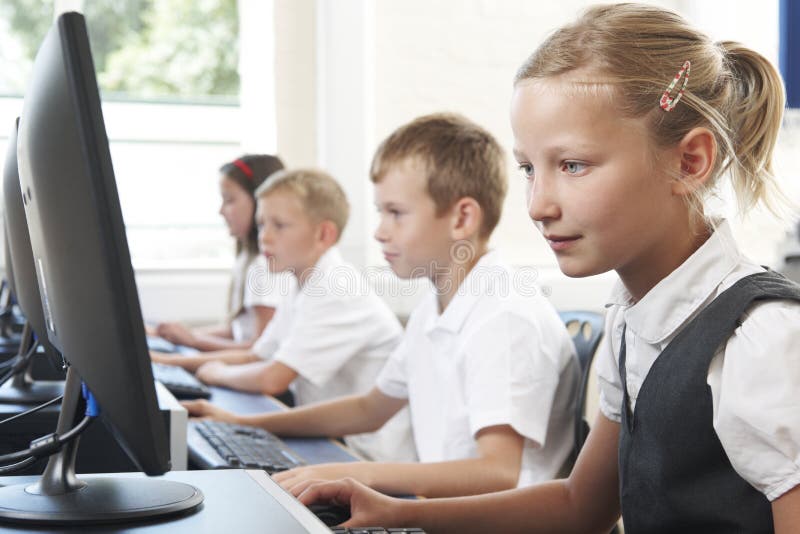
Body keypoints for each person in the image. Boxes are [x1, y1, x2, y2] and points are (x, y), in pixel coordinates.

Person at [281, 4, 800, 532]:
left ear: (689, 162)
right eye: (530, 168)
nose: (537, 206)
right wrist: (394, 511)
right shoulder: (632, 320)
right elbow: (581, 507)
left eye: (572, 165)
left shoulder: (758, 338)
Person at [185, 113, 580, 498]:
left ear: (462, 218)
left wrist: (354, 475)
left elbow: (497, 474)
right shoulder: (438, 303)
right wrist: (247, 424)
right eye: (380, 212)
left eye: (396, 213)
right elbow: (371, 407)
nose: (379, 231)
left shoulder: (503, 316)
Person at [177, 169, 414, 462]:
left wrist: (217, 372)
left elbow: (272, 378)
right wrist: (188, 366)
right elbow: (259, 355)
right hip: (329, 436)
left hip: (362, 452)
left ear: (323, 235)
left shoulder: (335, 289)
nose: (264, 237)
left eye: (279, 226)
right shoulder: (301, 282)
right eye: (262, 224)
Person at [150, 155, 287, 352]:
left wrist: (192, 341)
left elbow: (259, 351)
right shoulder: (246, 260)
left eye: (229, 200)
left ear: (260, 202)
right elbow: (237, 331)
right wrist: (174, 334)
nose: (221, 211)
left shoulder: (265, 267)